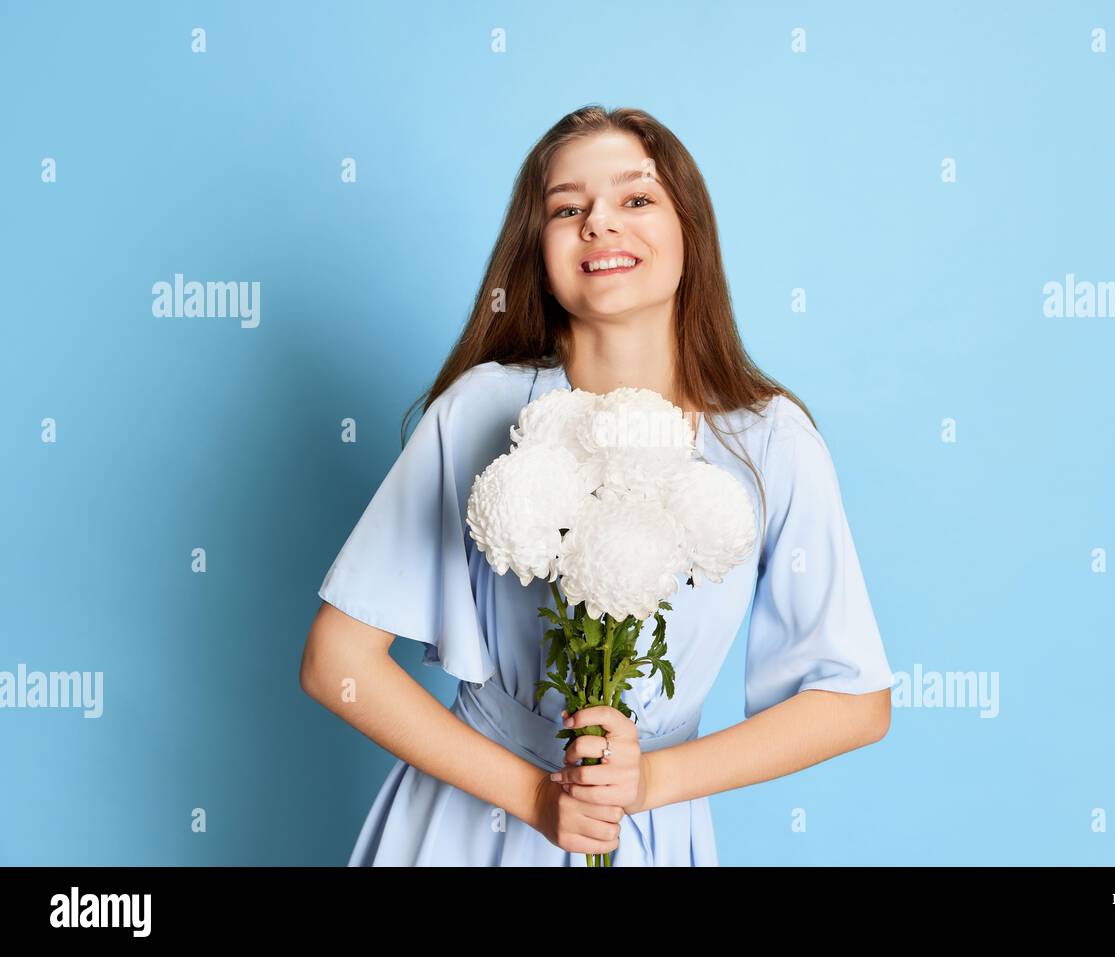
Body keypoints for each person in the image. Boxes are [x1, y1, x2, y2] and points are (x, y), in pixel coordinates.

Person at [299, 105, 893, 866]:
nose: (600, 223)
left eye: (636, 199)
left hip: (648, 831)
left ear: (691, 233)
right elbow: (336, 661)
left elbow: (855, 700)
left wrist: (649, 781)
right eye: (567, 208)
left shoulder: (770, 443)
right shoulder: (482, 409)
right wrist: (535, 798)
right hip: (468, 824)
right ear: (536, 248)